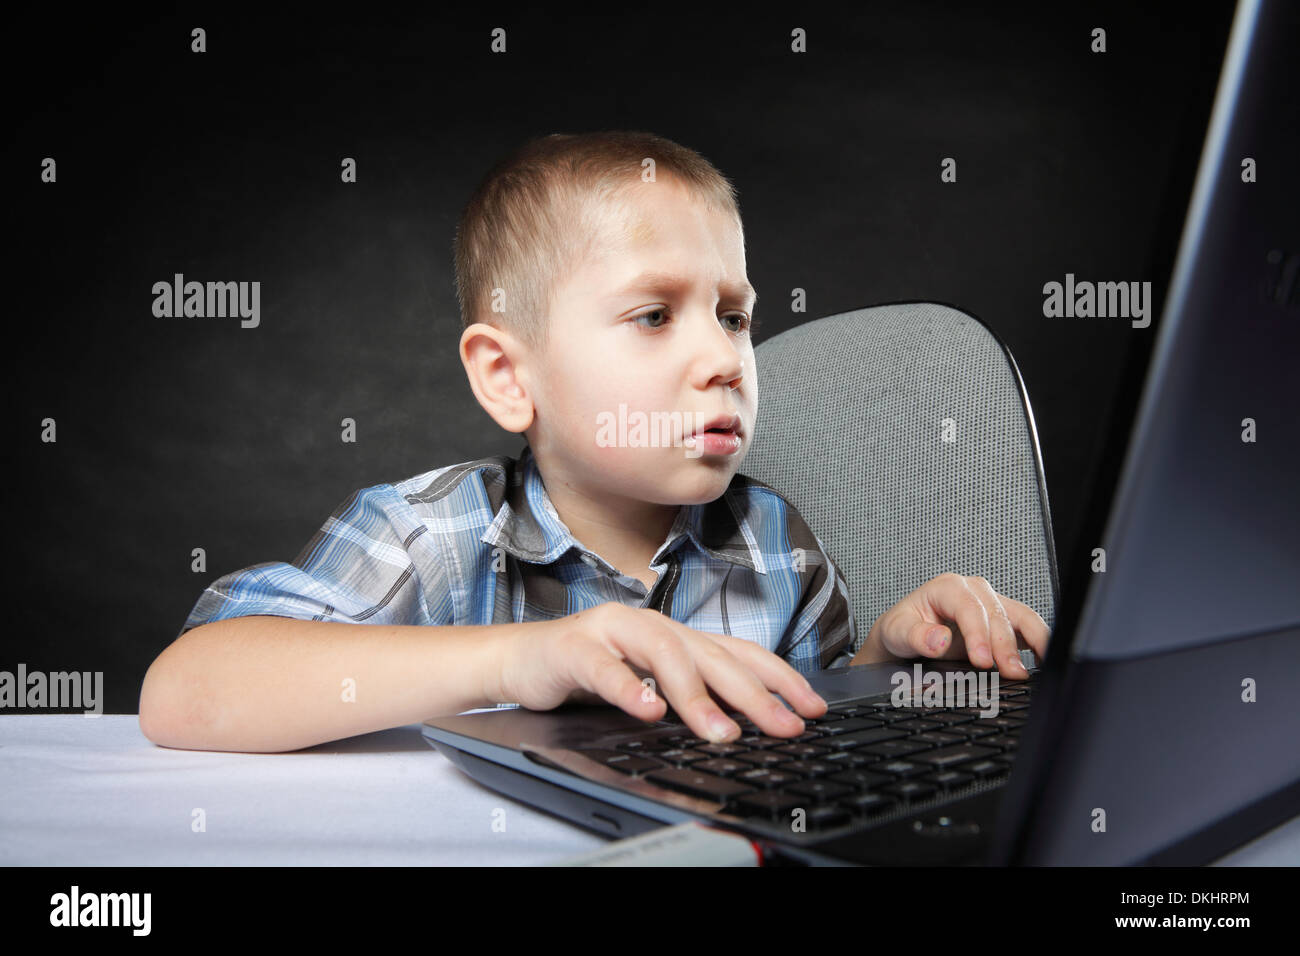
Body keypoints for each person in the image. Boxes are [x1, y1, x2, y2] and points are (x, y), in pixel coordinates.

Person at [139, 130, 1049, 753]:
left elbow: (806, 721)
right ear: (508, 376)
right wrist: (523, 658)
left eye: (734, 317)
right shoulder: (434, 535)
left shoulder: (774, 543)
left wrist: (887, 660)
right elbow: (186, 692)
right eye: (654, 315)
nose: (725, 360)